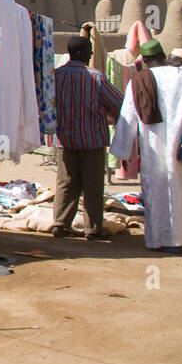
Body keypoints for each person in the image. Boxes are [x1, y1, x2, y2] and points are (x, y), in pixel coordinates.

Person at [111, 40, 182, 252]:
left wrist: (123, 151)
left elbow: (127, 118)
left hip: (156, 151)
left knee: (160, 196)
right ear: (163, 55)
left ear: (143, 61)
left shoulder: (139, 81)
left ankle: (166, 242)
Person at [51, 36, 123, 240]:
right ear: (82, 53)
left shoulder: (57, 75)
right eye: (90, 51)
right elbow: (118, 103)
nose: (92, 54)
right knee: (92, 186)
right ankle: (92, 228)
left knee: (66, 183)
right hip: (91, 140)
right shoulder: (96, 77)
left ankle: (60, 223)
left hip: (65, 140)